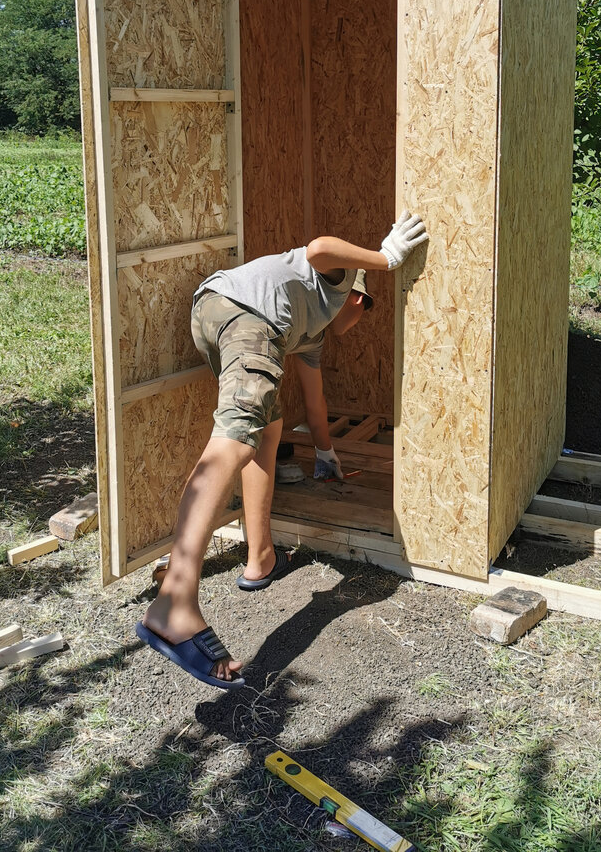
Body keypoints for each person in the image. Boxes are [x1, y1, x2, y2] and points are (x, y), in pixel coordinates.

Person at [136, 211, 428, 689]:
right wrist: (385, 259)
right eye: (364, 305)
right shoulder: (334, 283)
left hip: (215, 315)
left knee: (266, 430)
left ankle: (261, 558)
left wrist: (326, 452)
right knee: (232, 438)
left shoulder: (307, 332)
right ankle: (176, 600)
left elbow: (313, 403)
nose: (360, 314)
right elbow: (319, 247)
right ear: (354, 293)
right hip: (247, 321)